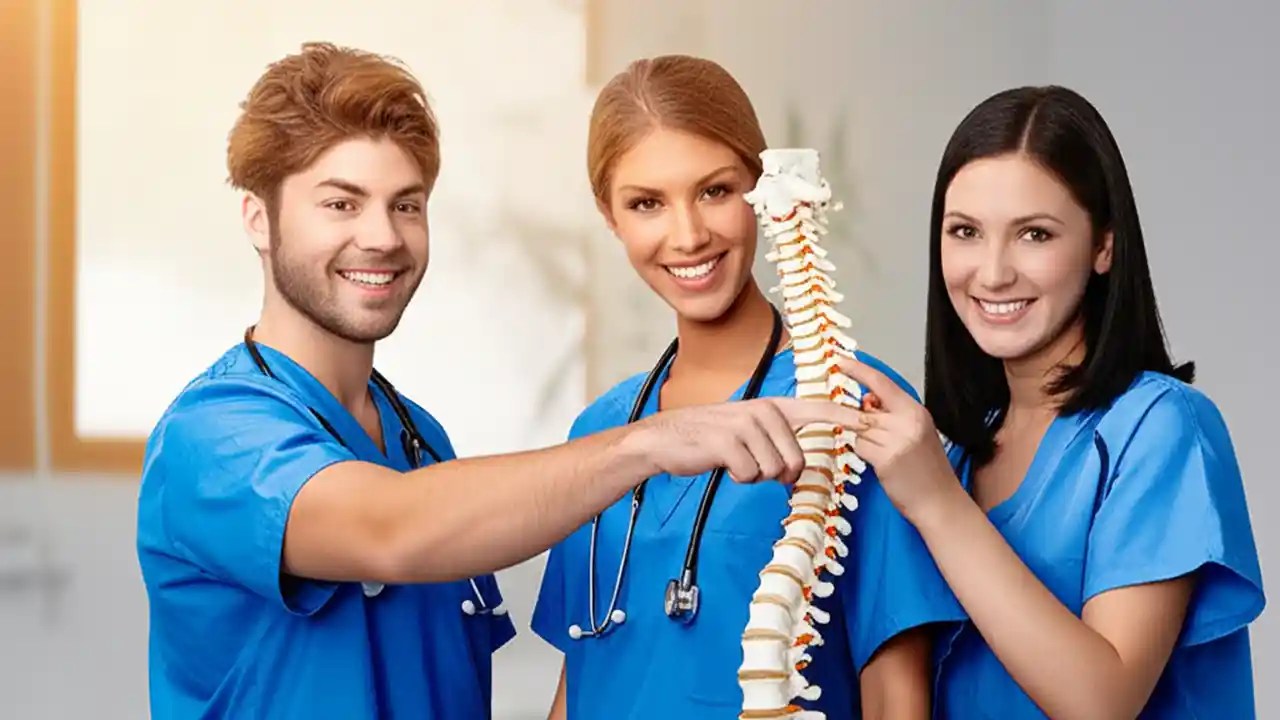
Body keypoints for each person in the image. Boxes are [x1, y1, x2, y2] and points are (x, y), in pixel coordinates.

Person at [134, 43, 871, 720]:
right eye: (341, 203)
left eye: (406, 204)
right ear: (257, 219)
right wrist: (649, 444)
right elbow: (390, 530)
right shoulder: (212, 437)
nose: (382, 236)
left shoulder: (420, 442)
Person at [531, 54, 965, 719]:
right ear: (610, 216)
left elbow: (894, 691)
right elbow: (581, 680)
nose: (688, 236)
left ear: (761, 187)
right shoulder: (600, 431)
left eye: (715, 191)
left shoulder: (854, 407)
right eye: (646, 203)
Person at [836, 85, 1266, 718]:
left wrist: (936, 504)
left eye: (1034, 234)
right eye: (965, 232)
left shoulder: (1160, 428)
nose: (992, 272)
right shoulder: (956, 456)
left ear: (1103, 246)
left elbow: (1102, 701)